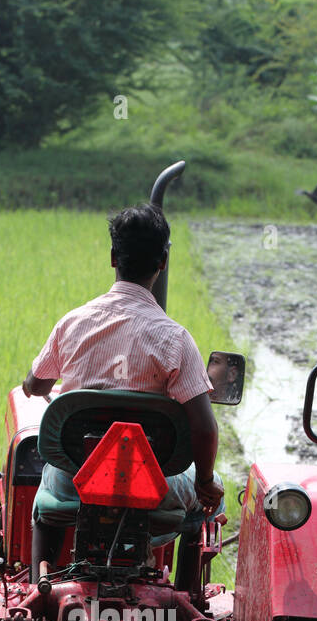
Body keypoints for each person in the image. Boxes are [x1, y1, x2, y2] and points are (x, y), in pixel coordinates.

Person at [23, 202, 224, 582]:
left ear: (113, 257)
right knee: (211, 498)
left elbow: (36, 385)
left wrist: (32, 383)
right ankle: (186, 591)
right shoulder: (175, 340)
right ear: (163, 262)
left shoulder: (73, 323)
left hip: (77, 480)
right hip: (152, 485)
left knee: (45, 494)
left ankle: (39, 587)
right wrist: (204, 482)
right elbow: (204, 428)